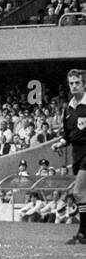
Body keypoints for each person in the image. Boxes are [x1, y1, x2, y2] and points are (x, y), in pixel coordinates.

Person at [51, 68, 86, 244]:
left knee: (78, 191)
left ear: (84, 84)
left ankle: (82, 232)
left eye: (77, 83)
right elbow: (67, 134)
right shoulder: (69, 108)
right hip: (77, 154)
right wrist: (59, 143)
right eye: (71, 83)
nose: (73, 86)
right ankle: (84, 234)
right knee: (82, 195)